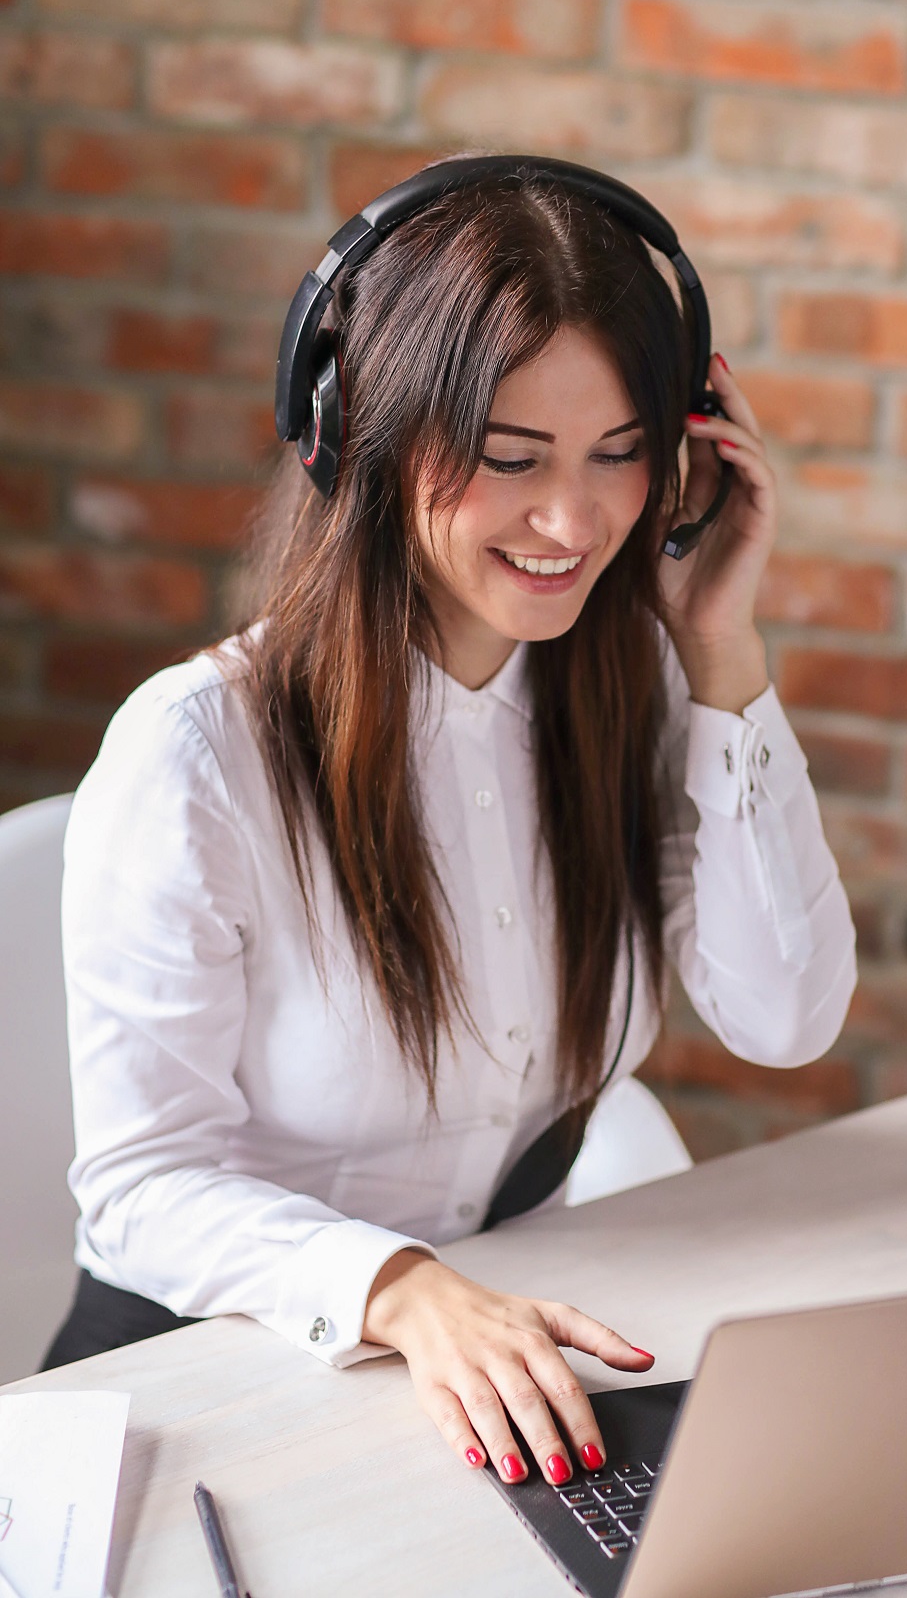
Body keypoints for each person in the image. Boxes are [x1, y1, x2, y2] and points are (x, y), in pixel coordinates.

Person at [44, 163, 856, 1493]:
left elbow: (786, 1020)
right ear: (354, 434)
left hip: (503, 1358)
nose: (573, 522)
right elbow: (138, 1193)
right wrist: (406, 1291)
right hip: (208, 1380)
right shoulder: (197, 752)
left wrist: (722, 649)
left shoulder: (644, 686)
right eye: (511, 459)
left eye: (621, 455)